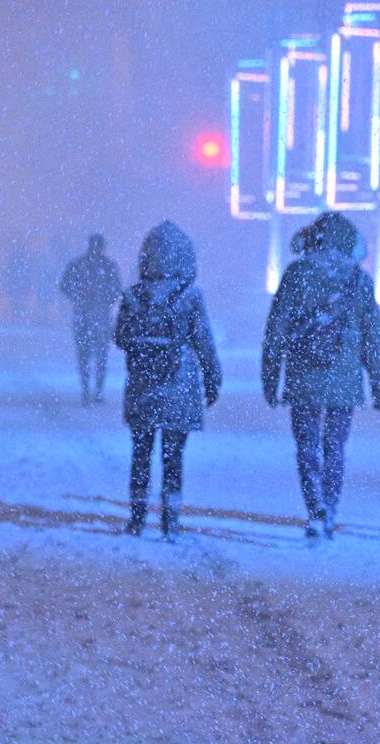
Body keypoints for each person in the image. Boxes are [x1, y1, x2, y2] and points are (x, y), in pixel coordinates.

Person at [262, 212, 380, 540]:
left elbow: (276, 330)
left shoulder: (296, 275)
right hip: (343, 378)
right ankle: (330, 508)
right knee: (334, 445)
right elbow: (373, 337)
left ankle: (315, 509)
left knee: (307, 445)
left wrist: (270, 375)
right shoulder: (359, 282)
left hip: (303, 373)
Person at [115, 221, 222, 542]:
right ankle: (170, 520)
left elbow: (120, 338)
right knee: (173, 455)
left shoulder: (133, 297)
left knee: (141, 451)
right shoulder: (190, 297)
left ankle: (136, 517)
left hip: (142, 387)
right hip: (180, 385)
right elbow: (204, 341)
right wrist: (213, 377)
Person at [59, 234, 123, 405]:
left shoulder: (78, 265)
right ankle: (96, 391)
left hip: (85, 316)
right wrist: (104, 300)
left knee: (85, 356)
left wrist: (79, 297)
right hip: (99, 316)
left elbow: (64, 286)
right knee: (100, 356)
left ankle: (87, 389)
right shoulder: (108, 266)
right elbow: (117, 289)